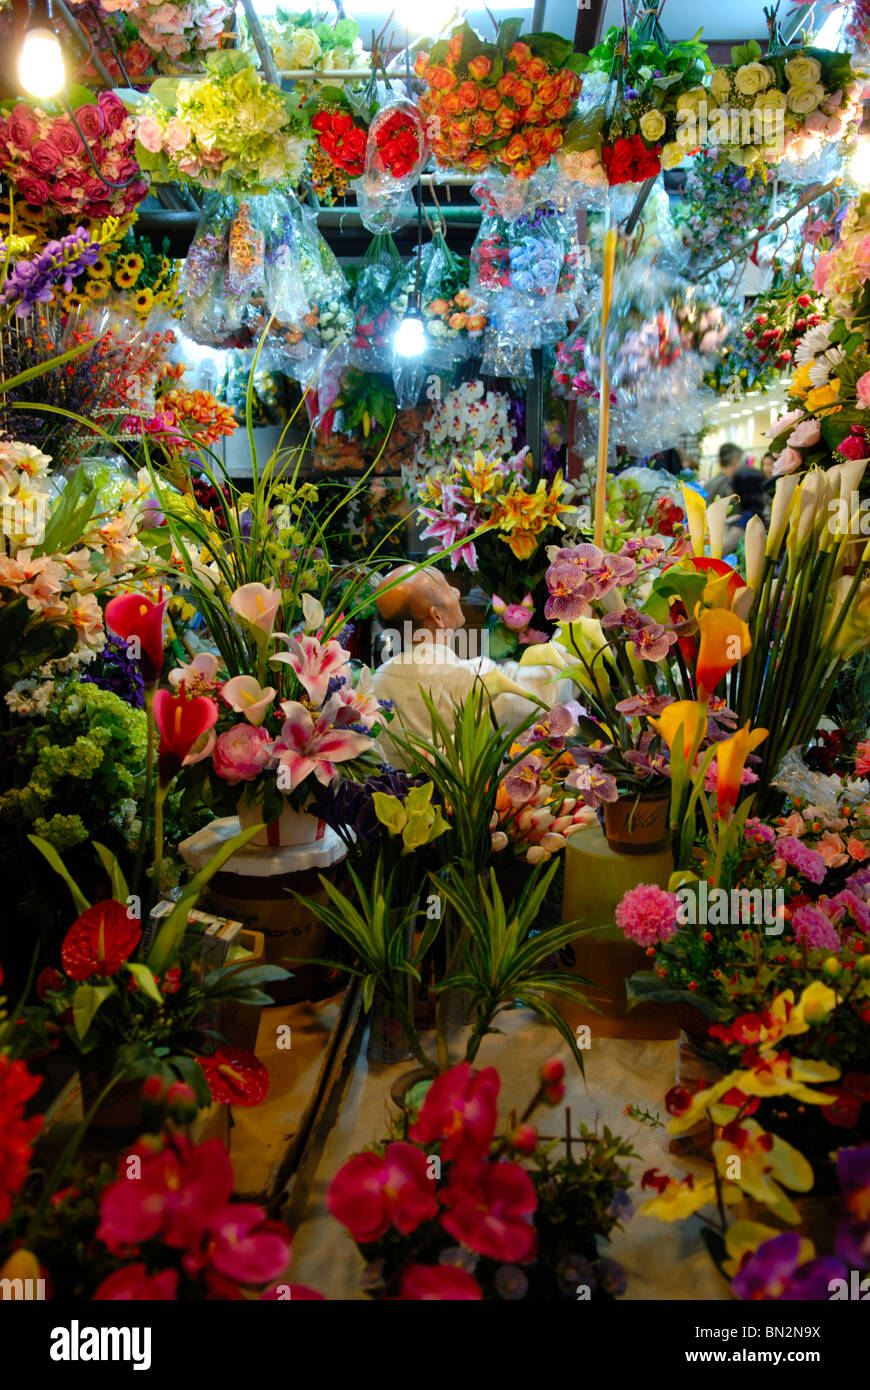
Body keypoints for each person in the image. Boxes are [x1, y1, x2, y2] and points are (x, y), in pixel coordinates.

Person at [371, 565, 570, 770]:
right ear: (436, 616)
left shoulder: (376, 681)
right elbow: (550, 684)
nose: (457, 592)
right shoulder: (467, 679)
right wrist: (575, 611)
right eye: (448, 588)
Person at [722, 466, 769, 555]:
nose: (729, 488)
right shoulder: (756, 516)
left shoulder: (748, 519)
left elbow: (721, 550)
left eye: (733, 484)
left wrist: (724, 524)